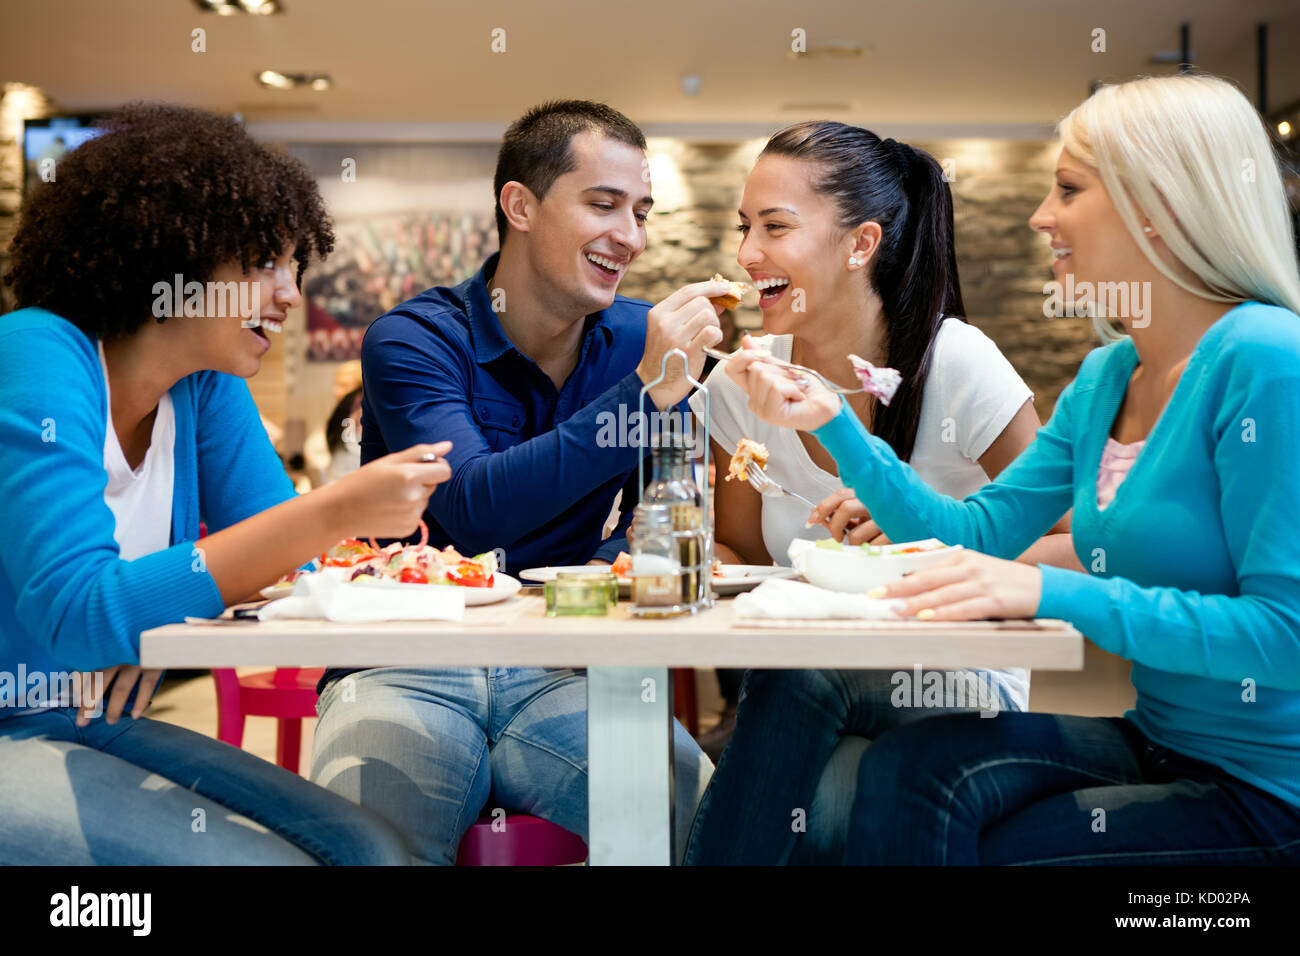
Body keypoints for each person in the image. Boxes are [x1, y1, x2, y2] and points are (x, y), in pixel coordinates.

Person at [721, 74, 1300, 864]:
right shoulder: (1107, 378)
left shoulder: (1267, 360)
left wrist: (1046, 587)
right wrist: (829, 420)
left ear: (1158, 208)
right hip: (1161, 737)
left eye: (1068, 189)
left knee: (992, 845)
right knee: (911, 768)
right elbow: (974, 531)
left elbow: (1286, 636)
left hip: (1269, 792)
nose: (1041, 217)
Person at [0, 103, 453, 865]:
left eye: (292, 268)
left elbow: (290, 566)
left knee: (373, 850)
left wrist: (148, 614)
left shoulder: (201, 388)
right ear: (170, 258)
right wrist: (335, 508)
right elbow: (77, 612)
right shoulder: (36, 353)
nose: (286, 295)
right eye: (259, 264)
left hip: (82, 715)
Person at [311, 100, 724, 864]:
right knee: (363, 846)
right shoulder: (415, 339)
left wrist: (600, 577)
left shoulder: (639, 339)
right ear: (520, 205)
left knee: (703, 818)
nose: (629, 238)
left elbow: (662, 510)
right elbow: (470, 509)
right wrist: (645, 392)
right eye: (603, 205)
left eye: (640, 212)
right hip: (406, 659)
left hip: (566, 662)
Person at [684, 121, 1076, 864]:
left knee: (797, 701)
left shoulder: (955, 362)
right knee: (807, 768)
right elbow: (735, 550)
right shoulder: (744, 380)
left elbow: (1075, 543)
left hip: (955, 679)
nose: (745, 254)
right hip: (800, 687)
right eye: (744, 228)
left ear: (861, 244)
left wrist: (925, 537)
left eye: (775, 227)